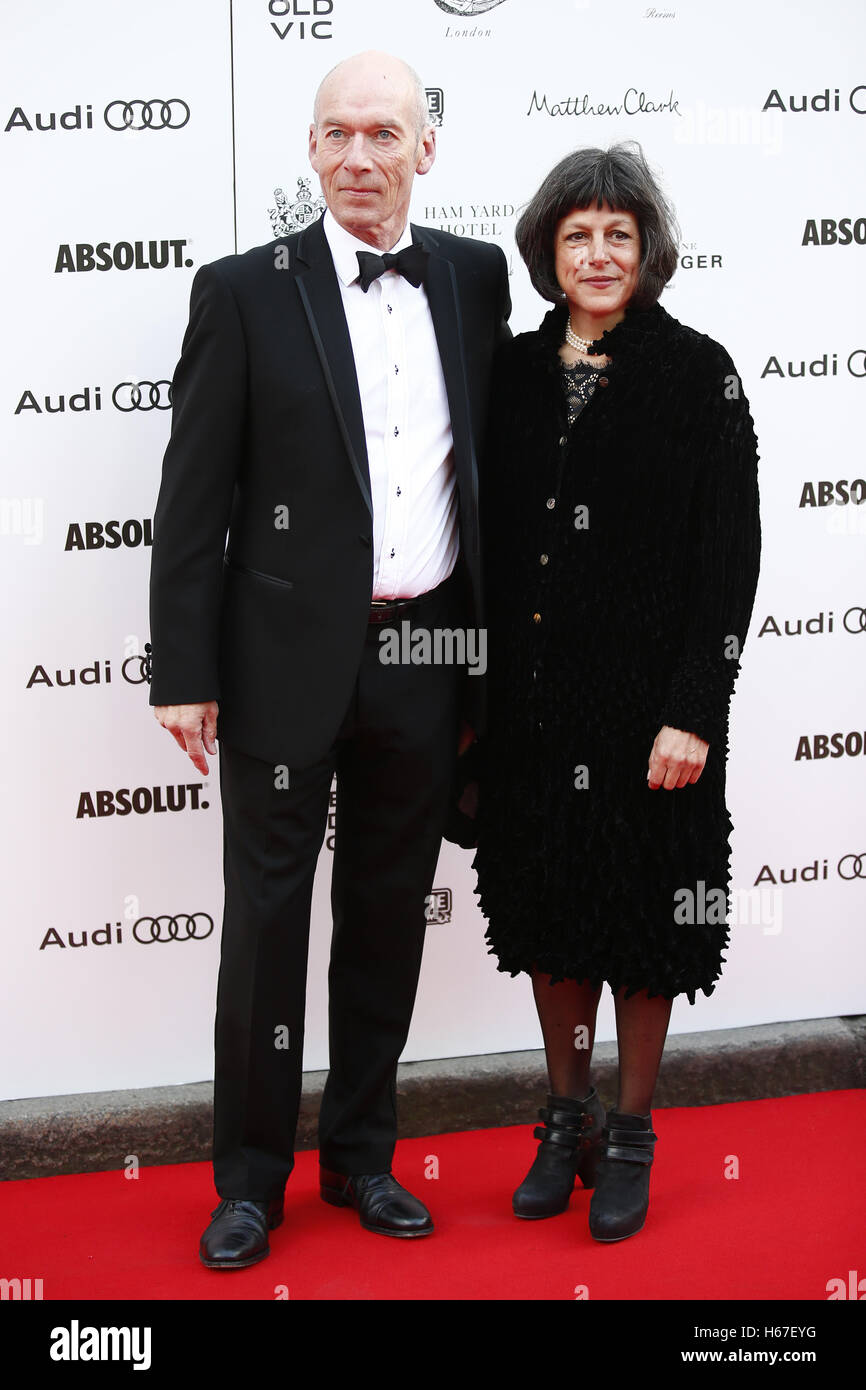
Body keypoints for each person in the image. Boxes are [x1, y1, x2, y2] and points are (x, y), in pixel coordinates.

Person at [148, 50, 511, 1268]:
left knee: (386, 917)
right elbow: (192, 503)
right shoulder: (244, 291)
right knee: (265, 925)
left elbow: (489, 474)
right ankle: (249, 1179)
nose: (359, 157)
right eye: (336, 134)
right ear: (309, 150)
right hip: (278, 664)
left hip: (425, 652)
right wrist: (182, 669)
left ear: (424, 150)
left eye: (382, 134)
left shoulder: (472, 279)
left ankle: (362, 1158)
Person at [472, 141, 761, 1242]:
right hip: (534, 712)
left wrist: (694, 707)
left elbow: (728, 556)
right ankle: (565, 1115)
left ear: (647, 252)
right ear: (548, 251)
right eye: (575, 234)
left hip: (653, 717)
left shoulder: (698, 372)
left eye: (617, 235)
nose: (596, 252)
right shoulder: (506, 370)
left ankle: (631, 1131)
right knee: (548, 912)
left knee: (645, 917)